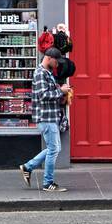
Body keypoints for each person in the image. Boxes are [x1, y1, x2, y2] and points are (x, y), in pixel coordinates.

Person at [18, 48, 70, 192]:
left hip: (50, 116)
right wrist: (61, 91)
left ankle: (28, 167)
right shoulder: (40, 73)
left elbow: (49, 94)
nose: (57, 64)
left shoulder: (47, 73)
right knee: (53, 149)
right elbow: (43, 95)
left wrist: (62, 92)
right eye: (56, 61)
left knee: (54, 148)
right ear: (48, 58)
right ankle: (48, 183)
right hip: (46, 117)